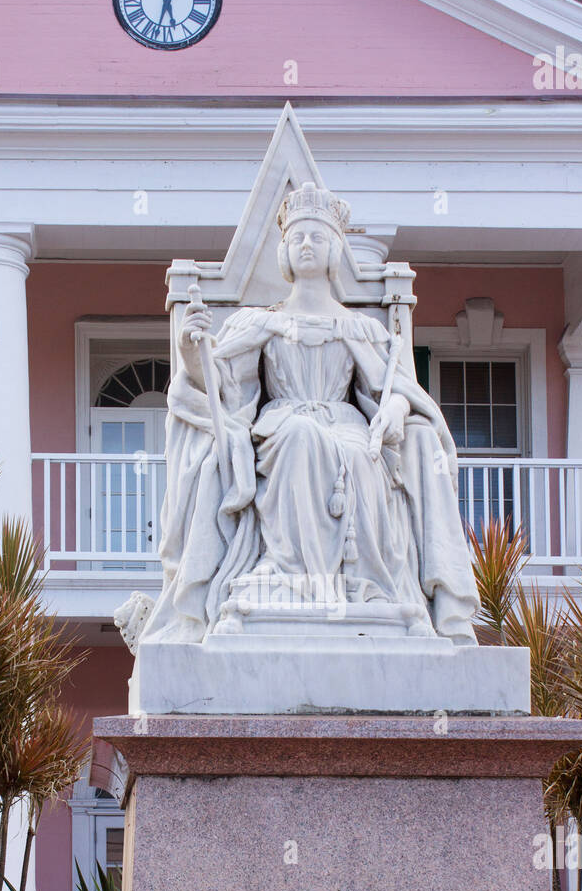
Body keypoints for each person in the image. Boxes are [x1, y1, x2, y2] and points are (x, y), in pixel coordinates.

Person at [144, 181, 479, 645]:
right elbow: (219, 390)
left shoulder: (359, 327)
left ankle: (368, 586)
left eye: (317, 237)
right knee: (302, 435)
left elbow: (397, 388)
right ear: (284, 250)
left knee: (365, 455)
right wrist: (190, 349)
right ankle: (289, 576)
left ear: (334, 251)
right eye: (297, 237)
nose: (306, 244)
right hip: (281, 426)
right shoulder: (258, 322)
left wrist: (396, 411)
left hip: (349, 429)